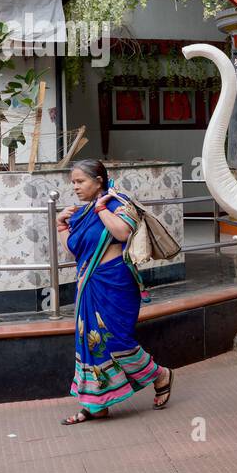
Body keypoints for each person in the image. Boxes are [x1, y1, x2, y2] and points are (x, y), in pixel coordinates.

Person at [58, 159, 173, 424]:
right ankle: (96, 404)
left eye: (80, 181)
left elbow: (122, 232)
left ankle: (160, 375)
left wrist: (101, 209)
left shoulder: (117, 202)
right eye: (73, 182)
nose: (75, 187)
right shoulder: (84, 212)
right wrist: (61, 226)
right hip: (89, 283)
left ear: (98, 181)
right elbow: (75, 248)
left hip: (116, 283)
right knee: (90, 341)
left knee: (117, 340)